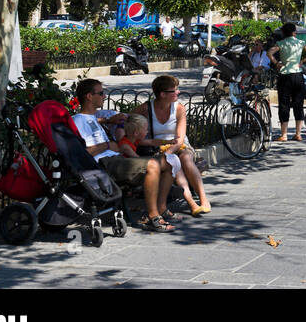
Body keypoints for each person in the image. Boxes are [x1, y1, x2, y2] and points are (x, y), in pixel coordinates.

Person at [74, 79, 175, 232]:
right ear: (89, 96)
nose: (105, 96)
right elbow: (82, 153)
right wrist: (107, 146)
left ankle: (160, 208)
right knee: (153, 165)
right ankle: (153, 217)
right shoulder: (77, 121)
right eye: (101, 93)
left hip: (117, 158)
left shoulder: (93, 118)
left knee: (167, 162)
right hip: (104, 164)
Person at [130, 75, 212, 215]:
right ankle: (191, 203)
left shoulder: (179, 108)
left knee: (185, 158)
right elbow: (128, 120)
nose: (178, 92)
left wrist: (168, 153)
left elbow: (180, 139)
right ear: (162, 94)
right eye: (174, 90)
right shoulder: (146, 108)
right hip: (158, 146)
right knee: (174, 164)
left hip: (179, 145)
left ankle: (204, 199)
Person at [117, 113, 203, 216]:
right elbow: (138, 160)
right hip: (130, 173)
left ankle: (178, 198)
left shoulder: (134, 140)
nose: (147, 131)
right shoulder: (125, 145)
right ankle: (172, 199)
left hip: (137, 168)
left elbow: (152, 142)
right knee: (167, 165)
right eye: (145, 129)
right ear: (136, 133)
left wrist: (168, 142)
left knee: (171, 162)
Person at [269, 21, 306, 141]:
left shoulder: (280, 43)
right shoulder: (301, 43)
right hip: (298, 75)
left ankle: (284, 134)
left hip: (285, 75)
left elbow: (269, 53)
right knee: (298, 104)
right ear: (294, 32)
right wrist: (303, 61)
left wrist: (276, 63)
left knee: (284, 104)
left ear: (283, 33)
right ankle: (298, 134)